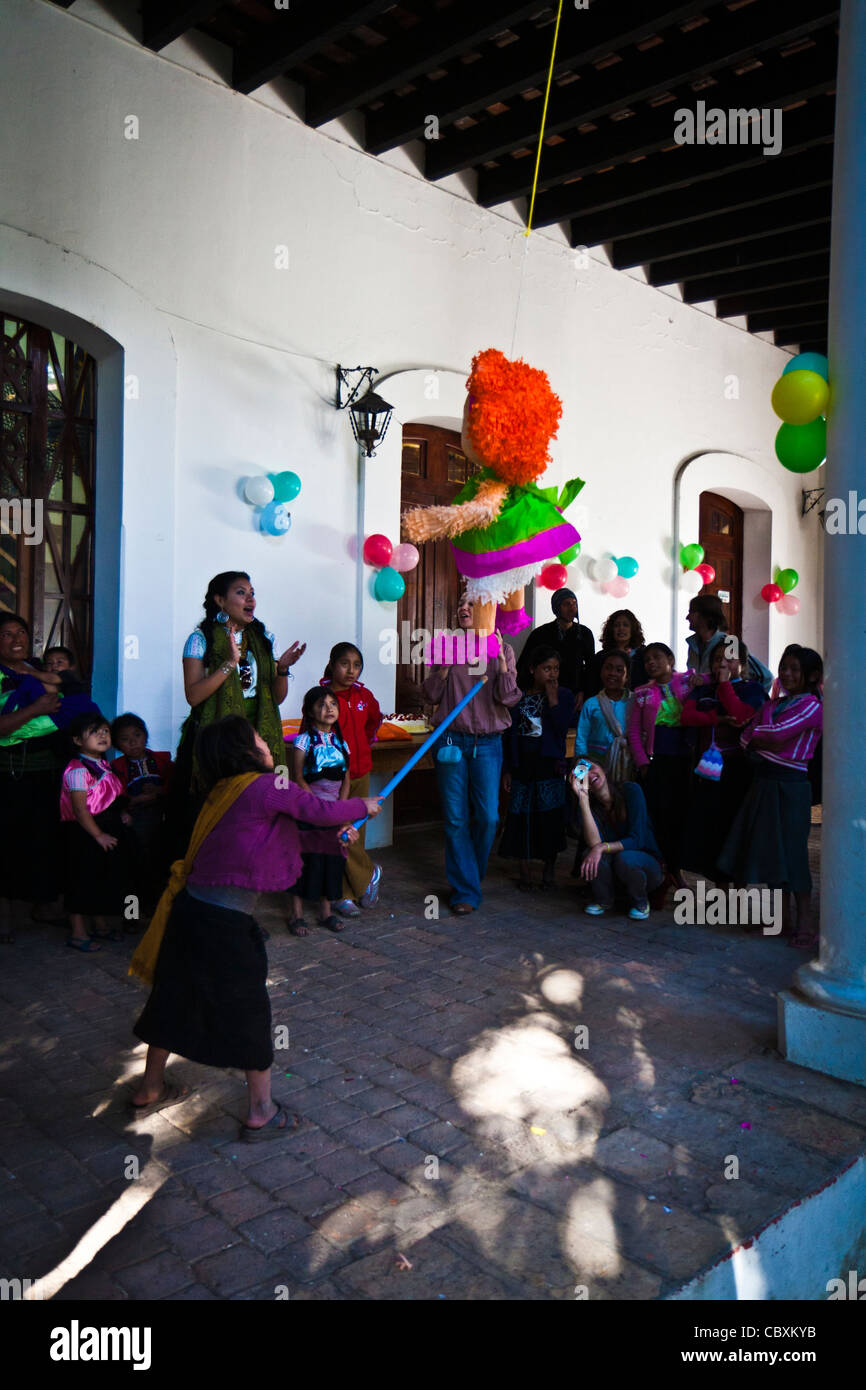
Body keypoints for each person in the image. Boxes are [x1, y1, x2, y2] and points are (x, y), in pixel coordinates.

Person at [129, 715, 380, 1139]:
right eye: (259, 738)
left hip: (190, 913)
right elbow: (315, 808)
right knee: (248, 1011)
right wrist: (361, 806)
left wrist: (331, 838)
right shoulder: (267, 784)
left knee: (172, 997)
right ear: (244, 750)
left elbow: (282, 834)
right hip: (224, 924)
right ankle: (261, 1109)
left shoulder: (225, 792)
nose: (267, 743)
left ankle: (151, 1087)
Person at [169, 571, 306, 853]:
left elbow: (277, 699)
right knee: (214, 815)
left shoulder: (264, 639)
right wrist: (229, 663)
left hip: (257, 738)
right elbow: (194, 696)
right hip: (216, 740)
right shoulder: (200, 639)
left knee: (252, 813)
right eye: (241, 592)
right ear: (220, 600)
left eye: (252, 592)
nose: (250, 599)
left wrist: (281, 669)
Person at [0, 614, 98, 944]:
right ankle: (4, 916)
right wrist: (36, 708)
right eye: (7, 633)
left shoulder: (37, 670)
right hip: (8, 773)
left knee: (45, 840)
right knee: (6, 843)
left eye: (22, 632)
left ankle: (44, 904)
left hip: (46, 769)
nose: (17, 638)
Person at [717, 646, 823, 950]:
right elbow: (745, 737)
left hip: (791, 786)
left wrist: (762, 735)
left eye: (794, 669)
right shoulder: (775, 704)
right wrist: (763, 735)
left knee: (794, 856)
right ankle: (783, 921)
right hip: (765, 782)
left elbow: (772, 735)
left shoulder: (812, 706)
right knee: (773, 854)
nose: (787, 674)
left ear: (811, 676)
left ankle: (805, 923)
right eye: (784, 668)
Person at [422, 595, 521, 914]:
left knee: (489, 817)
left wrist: (502, 664)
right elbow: (431, 695)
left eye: (471, 605)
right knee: (454, 818)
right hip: (451, 739)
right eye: (460, 605)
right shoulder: (444, 644)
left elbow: (508, 697)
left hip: (489, 743)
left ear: (487, 611)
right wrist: (444, 668)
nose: (463, 609)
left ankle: (469, 881)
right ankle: (466, 890)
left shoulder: (501, 648)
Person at [679, 639, 765, 882]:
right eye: (717, 659)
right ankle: (719, 887)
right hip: (707, 770)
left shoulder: (752, 690)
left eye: (730, 658)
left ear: (743, 663)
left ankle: (737, 887)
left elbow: (740, 715)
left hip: (737, 770)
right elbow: (687, 717)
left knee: (734, 829)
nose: (722, 663)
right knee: (709, 829)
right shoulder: (704, 689)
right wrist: (717, 719)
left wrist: (726, 685)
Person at [628, 643, 705, 887]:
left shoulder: (687, 681)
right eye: (647, 660)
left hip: (685, 760)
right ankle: (663, 870)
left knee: (682, 816)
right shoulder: (640, 693)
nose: (652, 663)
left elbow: (711, 679)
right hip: (657, 762)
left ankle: (677, 870)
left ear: (670, 658)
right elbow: (633, 731)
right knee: (660, 817)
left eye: (657, 657)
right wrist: (642, 762)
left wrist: (699, 680)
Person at [499, 646, 572, 890]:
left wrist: (552, 701)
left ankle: (549, 869)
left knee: (549, 816)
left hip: (549, 765)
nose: (552, 674)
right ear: (532, 670)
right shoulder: (518, 698)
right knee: (520, 815)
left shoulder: (563, 695)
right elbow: (510, 736)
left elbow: (562, 728)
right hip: (523, 765)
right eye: (546, 668)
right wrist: (508, 768)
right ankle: (525, 871)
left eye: (556, 669)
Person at [318, 642, 383, 918]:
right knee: (338, 835)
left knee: (355, 833)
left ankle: (346, 894)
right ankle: (367, 875)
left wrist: (363, 746)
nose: (351, 670)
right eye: (345, 663)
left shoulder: (364, 696)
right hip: (334, 780)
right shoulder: (322, 697)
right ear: (332, 664)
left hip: (361, 774)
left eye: (357, 665)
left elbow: (373, 721)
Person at [61, 712, 135, 951]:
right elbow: (80, 810)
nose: (103, 735)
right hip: (85, 833)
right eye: (94, 732)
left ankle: (101, 925)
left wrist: (121, 814)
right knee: (81, 880)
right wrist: (97, 835)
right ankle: (78, 932)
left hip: (105, 828)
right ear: (77, 740)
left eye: (105, 731)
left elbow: (110, 797)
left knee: (100, 878)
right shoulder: (77, 770)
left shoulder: (103, 765)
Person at [289, 687, 353, 935]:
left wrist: (340, 807)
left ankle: (325, 912)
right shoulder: (303, 741)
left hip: (333, 810)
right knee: (305, 860)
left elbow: (346, 778)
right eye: (322, 705)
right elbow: (298, 776)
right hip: (309, 809)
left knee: (331, 860)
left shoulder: (341, 742)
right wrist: (316, 806)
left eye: (333, 704)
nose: (329, 709)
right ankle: (296, 914)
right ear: (309, 712)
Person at [572, 760, 664, 920]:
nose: (589, 775)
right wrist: (583, 800)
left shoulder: (630, 790)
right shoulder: (588, 805)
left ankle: (640, 902)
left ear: (603, 769)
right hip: (615, 872)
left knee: (624, 857)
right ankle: (604, 900)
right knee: (590, 853)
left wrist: (602, 848)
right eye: (582, 775)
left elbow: (637, 840)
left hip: (647, 867)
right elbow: (594, 845)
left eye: (592, 768)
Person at [110, 713, 173, 915]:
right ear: (117, 745)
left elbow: (174, 785)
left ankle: (158, 910)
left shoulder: (162, 761)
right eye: (125, 739)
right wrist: (136, 801)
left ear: (145, 736)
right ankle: (132, 916)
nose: (133, 743)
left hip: (161, 822)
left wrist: (160, 792)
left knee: (160, 865)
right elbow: (114, 796)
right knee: (134, 868)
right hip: (134, 823)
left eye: (137, 736)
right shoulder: (116, 769)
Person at [516, 589, 595, 719]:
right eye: (566, 604)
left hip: (574, 698)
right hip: (541, 696)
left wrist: (584, 692)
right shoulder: (540, 634)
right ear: (556, 607)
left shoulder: (585, 634)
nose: (572, 608)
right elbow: (524, 666)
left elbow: (591, 668)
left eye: (574, 603)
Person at [574, 649, 633, 780]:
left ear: (627, 676)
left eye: (619, 670)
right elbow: (581, 741)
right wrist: (581, 777)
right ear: (601, 672)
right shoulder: (591, 704)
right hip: (595, 768)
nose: (612, 673)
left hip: (628, 765)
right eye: (608, 668)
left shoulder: (634, 703)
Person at [586, 610, 647, 694]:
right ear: (611, 630)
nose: (621, 628)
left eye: (625, 625)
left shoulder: (643, 655)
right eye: (616, 625)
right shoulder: (600, 657)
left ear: (632, 629)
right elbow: (592, 686)